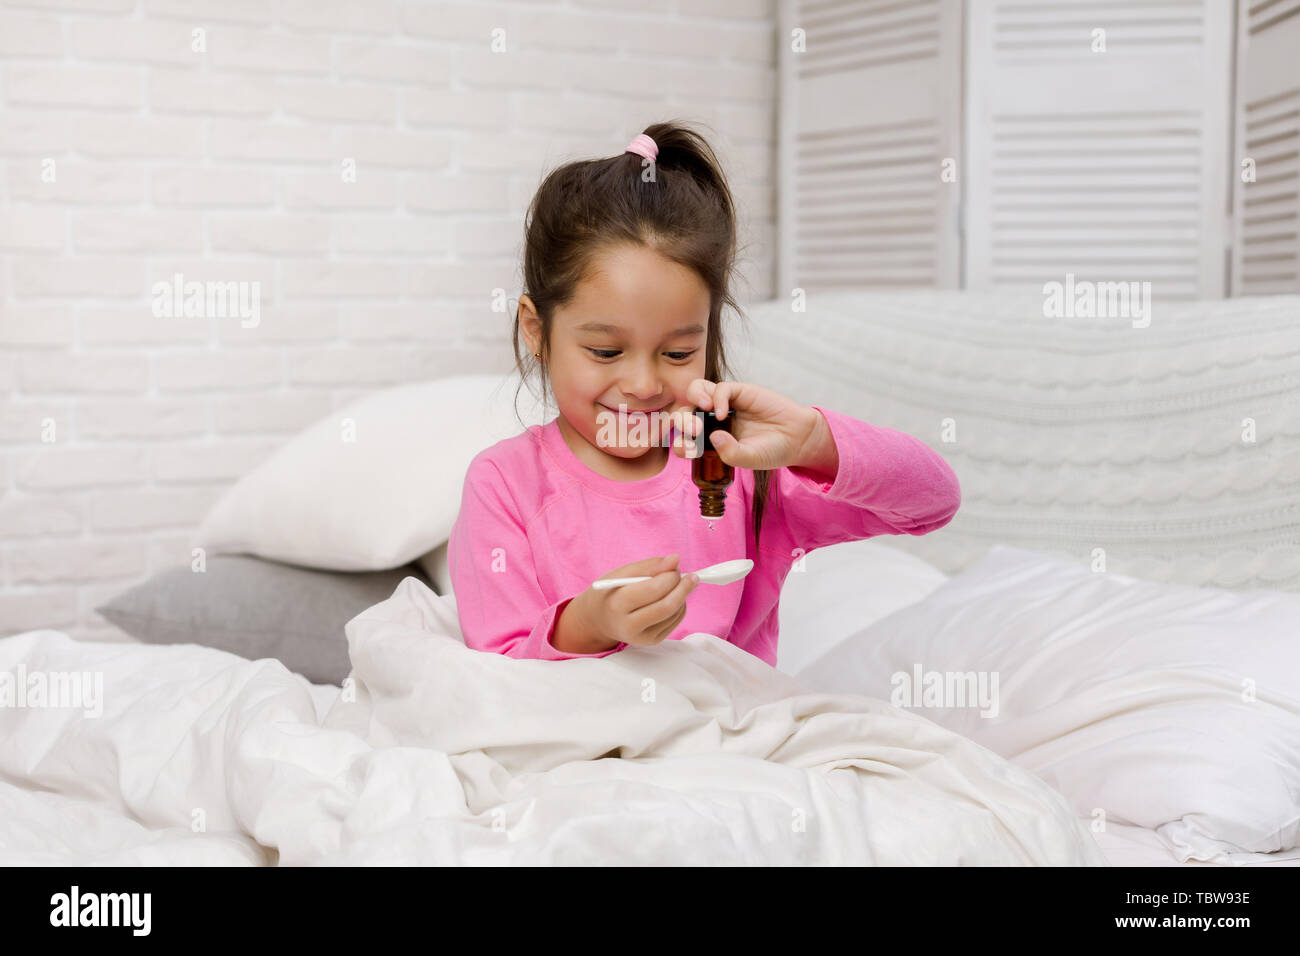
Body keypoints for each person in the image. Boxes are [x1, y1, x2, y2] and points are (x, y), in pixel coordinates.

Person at [447, 121, 961, 665]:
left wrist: (815, 440)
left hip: (728, 737)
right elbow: (495, 674)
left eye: (676, 355)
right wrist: (590, 624)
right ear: (536, 330)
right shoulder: (504, 484)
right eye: (605, 352)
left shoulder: (741, 471)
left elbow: (932, 503)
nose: (644, 387)